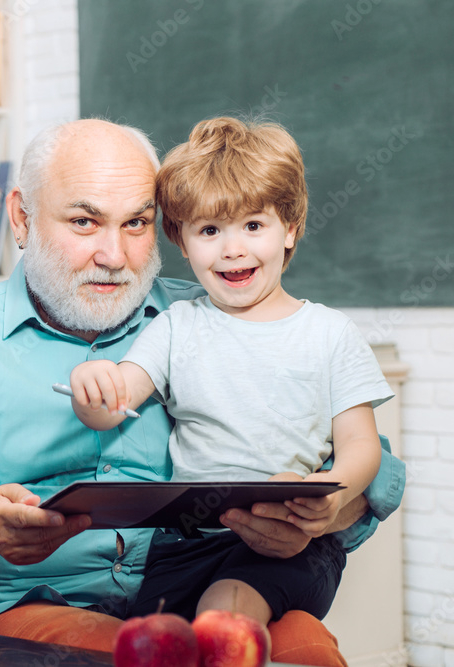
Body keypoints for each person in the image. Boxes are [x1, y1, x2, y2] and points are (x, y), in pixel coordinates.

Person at [0, 119, 404, 666]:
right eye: (84, 221)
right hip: (27, 601)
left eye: (136, 223)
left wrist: (324, 510)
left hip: (209, 581)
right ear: (22, 218)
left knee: (306, 653)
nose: (114, 255)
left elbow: (374, 464)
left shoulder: (211, 312)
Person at [68, 117, 394, 629]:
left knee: (225, 612)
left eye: (253, 226)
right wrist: (96, 391)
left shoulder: (330, 333)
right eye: (210, 230)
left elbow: (362, 446)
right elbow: (118, 397)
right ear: (181, 240)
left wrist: (329, 491)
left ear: (290, 228)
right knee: (152, 636)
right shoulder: (177, 327)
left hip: (287, 543)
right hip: (183, 544)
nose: (232, 248)